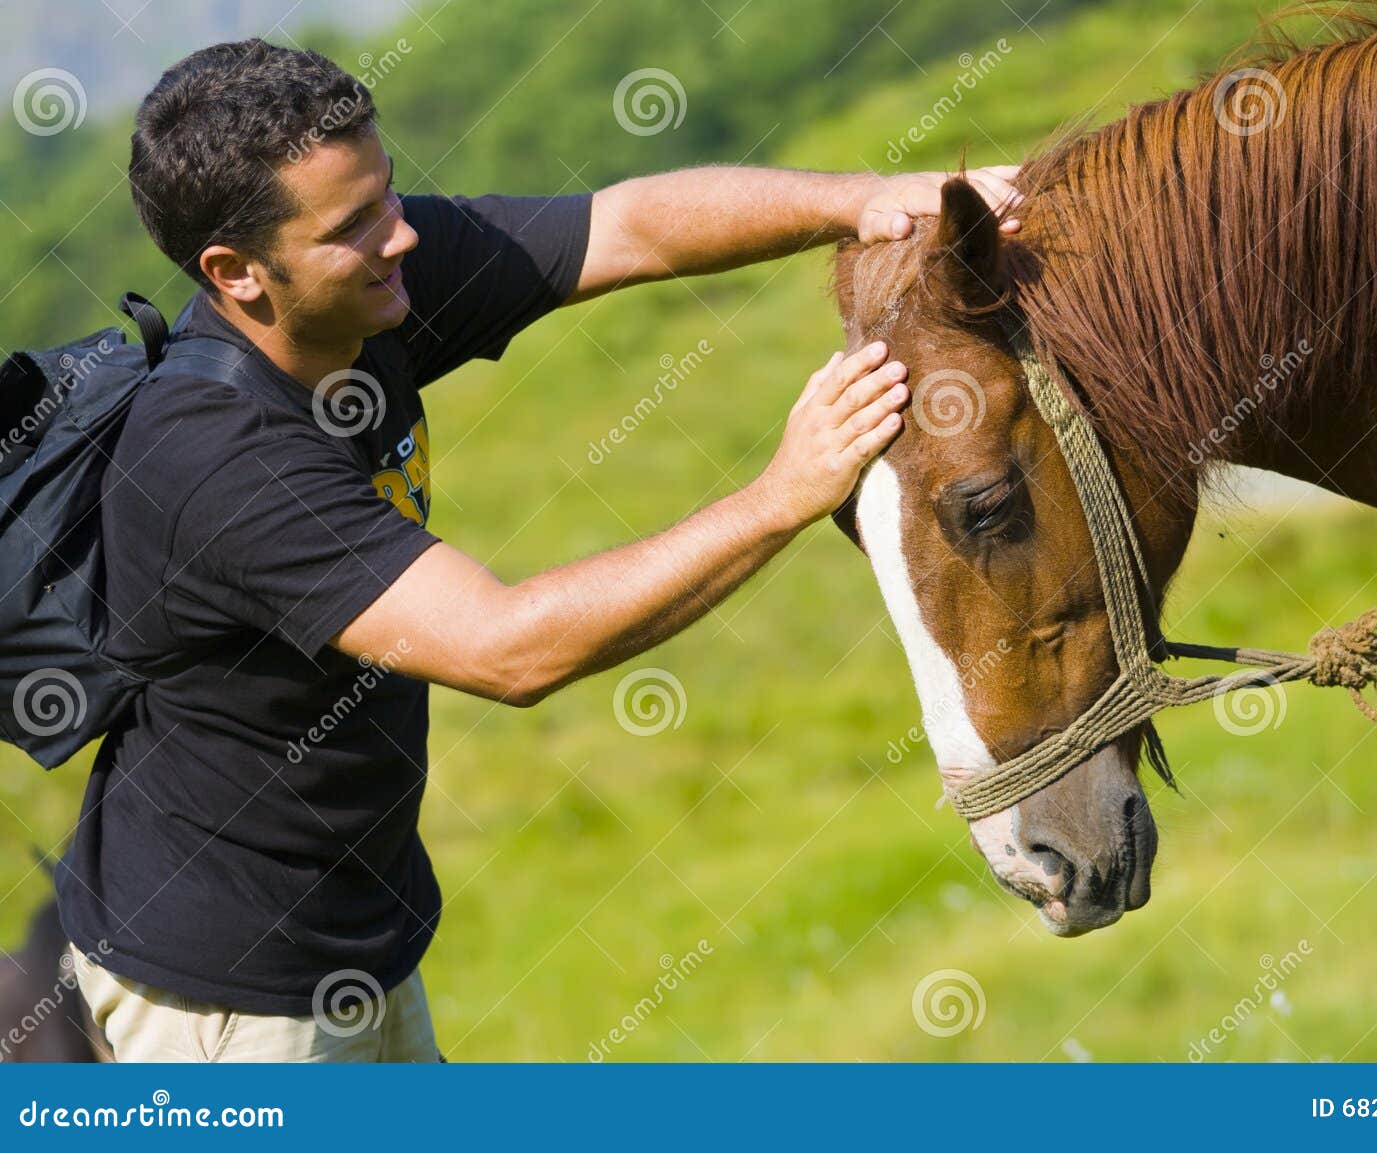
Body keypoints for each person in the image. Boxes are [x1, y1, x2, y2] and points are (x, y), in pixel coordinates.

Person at [58, 38, 1021, 1062]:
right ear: (235, 273)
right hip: (226, 998)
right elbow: (508, 648)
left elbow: (628, 227)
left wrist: (866, 200)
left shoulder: (364, 285)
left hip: (360, 942)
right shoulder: (217, 457)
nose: (400, 235)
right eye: (352, 227)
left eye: (388, 194)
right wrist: (778, 498)